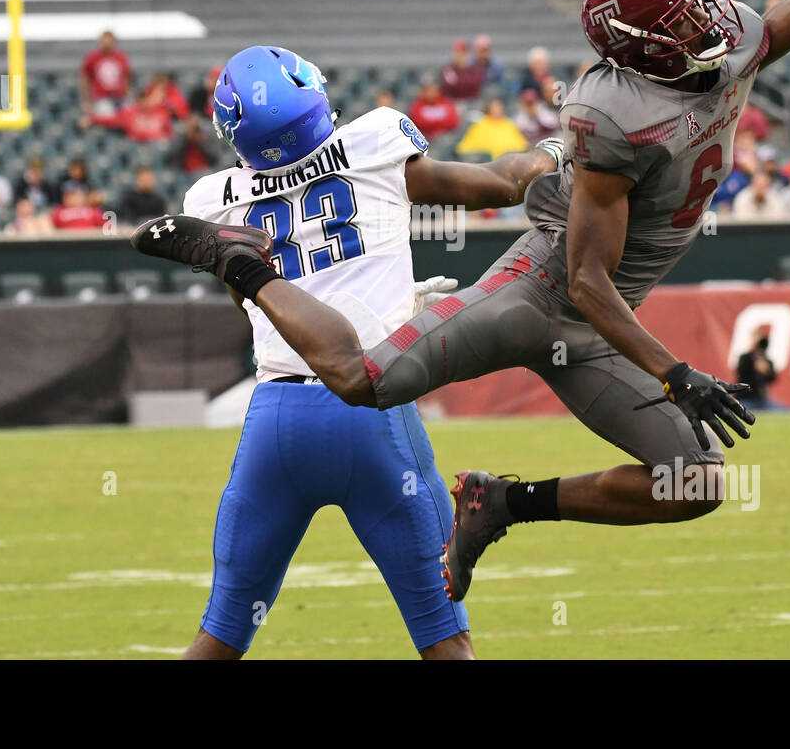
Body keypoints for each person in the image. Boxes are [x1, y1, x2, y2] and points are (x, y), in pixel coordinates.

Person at [132, 0, 790, 601]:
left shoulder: (721, 49)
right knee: (359, 382)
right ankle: (241, 259)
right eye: (686, 16)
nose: (712, 19)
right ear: (647, 47)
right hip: (533, 303)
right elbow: (582, 277)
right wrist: (674, 371)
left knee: (693, 484)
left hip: (596, 326)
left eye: (700, 3)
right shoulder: (611, 115)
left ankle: (499, 503)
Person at [132, 45, 561, 658]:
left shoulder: (212, 198)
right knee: (443, 637)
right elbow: (499, 183)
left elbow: (255, 302)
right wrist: (554, 149)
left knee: (220, 634)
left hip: (277, 424)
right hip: (373, 408)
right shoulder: (376, 140)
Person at [79, 30, 131, 121]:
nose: (107, 44)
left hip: (120, 97)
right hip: (102, 98)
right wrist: (86, 101)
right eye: (104, 41)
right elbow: (85, 79)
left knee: (129, 115)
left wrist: (128, 96)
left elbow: (126, 79)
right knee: (107, 116)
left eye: (110, 41)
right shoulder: (93, 57)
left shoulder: (121, 57)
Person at [455, 98, 530, 160]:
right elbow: (468, 146)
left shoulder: (509, 124)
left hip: (513, 159)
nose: (499, 109)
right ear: (488, 109)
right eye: (495, 107)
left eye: (500, 106)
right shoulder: (480, 125)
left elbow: (522, 143)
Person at [735, 327, 780, 408]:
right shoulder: (745, 357)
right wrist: (754, 364)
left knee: (783, 411)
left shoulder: (766, 359)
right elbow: (741, 374)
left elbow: (773, 378)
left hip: (762, 400)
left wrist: (766, 371)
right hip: (746, 399)